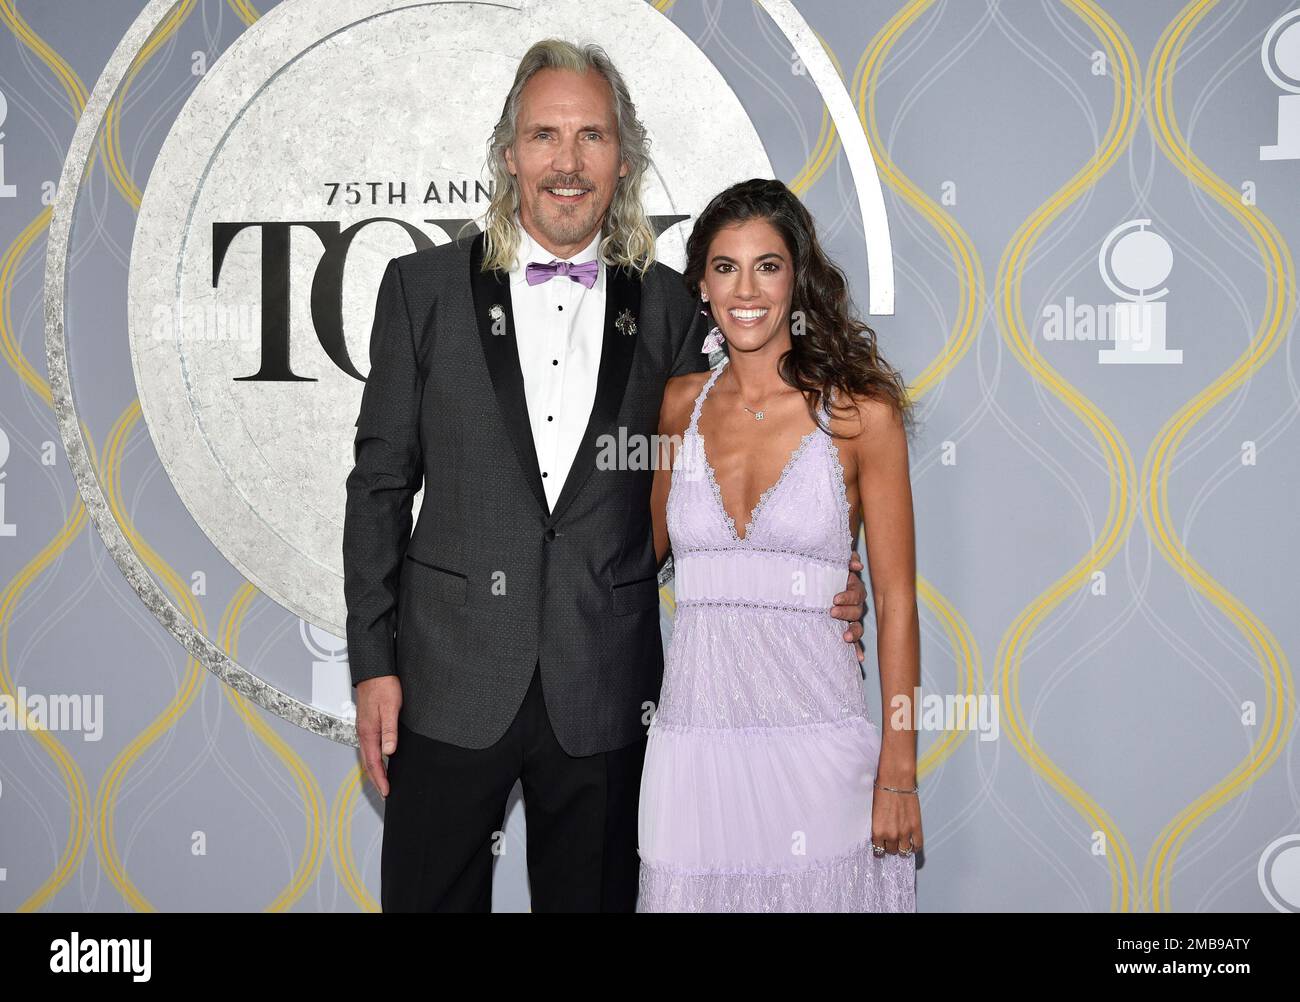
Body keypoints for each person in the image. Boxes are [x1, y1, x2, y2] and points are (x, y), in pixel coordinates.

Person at [342, 39, 869, 912]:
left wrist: (817, 569)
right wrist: (372, 663)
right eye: (545, 135)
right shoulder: (419, 289)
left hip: (608, 686)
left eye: (591, 136)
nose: (567, 162)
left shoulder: (672, 305)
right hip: (445, 682)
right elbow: (379, 488)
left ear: (624, 159)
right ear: (509, 152)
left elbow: (748, 440)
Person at [637, 178, 921, 912]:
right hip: (695, 752)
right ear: (701, 284)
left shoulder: (861, 415)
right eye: (726, 267)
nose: (746, 289)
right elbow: (632, 562)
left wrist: (899, 772)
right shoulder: (675, 409)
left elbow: (894, 601)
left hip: (816, 749)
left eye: (767, 265)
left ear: (796, 277)